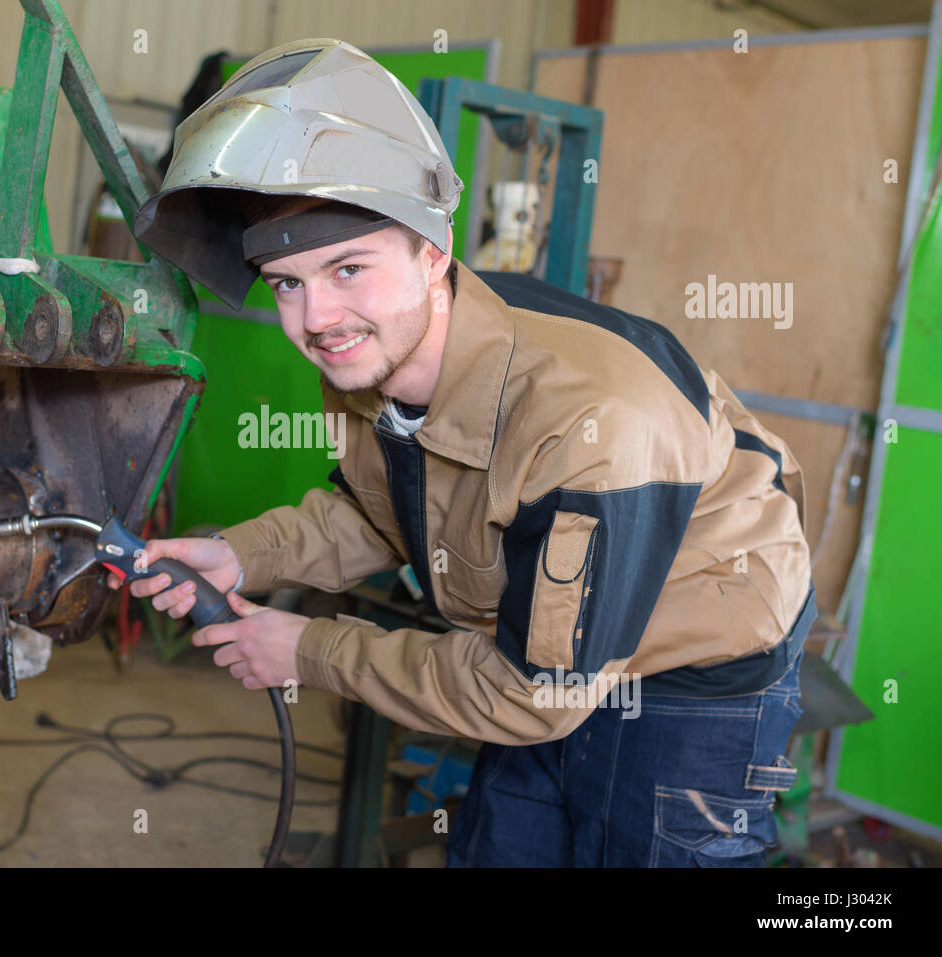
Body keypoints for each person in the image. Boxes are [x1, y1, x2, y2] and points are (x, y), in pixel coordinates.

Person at [120, 38, 814, 866]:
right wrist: (241, 555)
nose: (315, 320)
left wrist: (306, 649)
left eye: (348, 267)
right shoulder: (366, 360)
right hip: (543, 658)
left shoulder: (590, 422)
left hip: (692, 677)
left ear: (434, 249)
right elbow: (375, 512)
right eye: (288, 283)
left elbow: (534, 693)